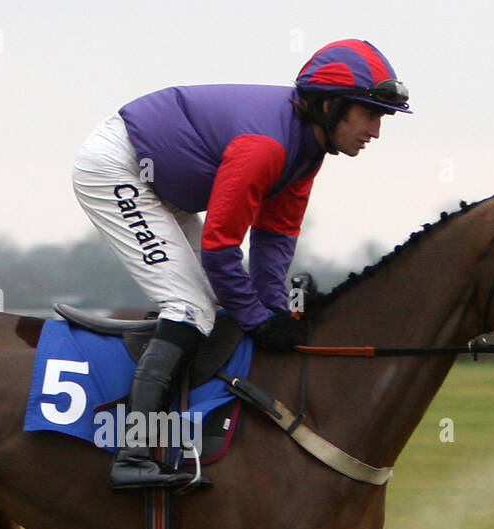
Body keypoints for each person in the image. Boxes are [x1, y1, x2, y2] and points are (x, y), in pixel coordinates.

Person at [71, 38, 411, 492]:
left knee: (214, 304)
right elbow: (220, 247)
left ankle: (182, 427)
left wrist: (271, 312)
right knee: (190, 306)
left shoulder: (308, 148)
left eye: (382, 117)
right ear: (329, 105)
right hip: (118, 167)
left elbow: (275, 237)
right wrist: (256, 320)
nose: (375, 130)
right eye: (370, 114)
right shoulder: (266, 146)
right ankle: (132, 454)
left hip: (163, 183)